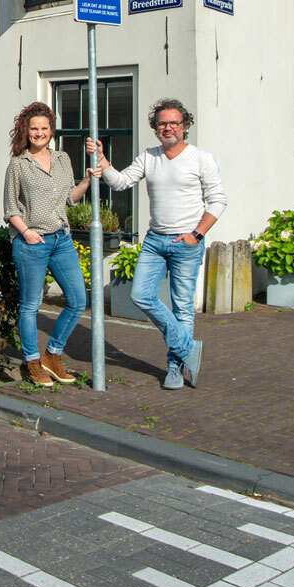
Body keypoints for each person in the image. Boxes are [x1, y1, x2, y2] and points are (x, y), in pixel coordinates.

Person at [88, 97, 226, 389]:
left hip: (187, 242)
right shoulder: (149, 157)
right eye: (162, 123)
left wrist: (196, 234)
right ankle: (188, 348)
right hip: (154, 240)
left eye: (174, 123)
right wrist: (103, 162)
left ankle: (174, 367)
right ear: (155, 128)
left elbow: (218, 201)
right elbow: (121, 182)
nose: (168, 128)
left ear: (185, 126)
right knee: (140, 295)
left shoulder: (202, 158)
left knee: (183, 308)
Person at [3, 102, 96, 387]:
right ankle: (32, 361)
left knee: (78, 300)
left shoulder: (63, 159)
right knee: (30, 305)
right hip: (32, 243)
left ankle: (52, 355)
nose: (39, 133)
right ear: (26, 131)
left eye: (44, 128)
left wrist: (88, 181)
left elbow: (70, 197)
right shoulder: (19, 164)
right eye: (34, 129)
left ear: (51, 131)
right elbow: (10, 208)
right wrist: (27, 232)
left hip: (62, 239)